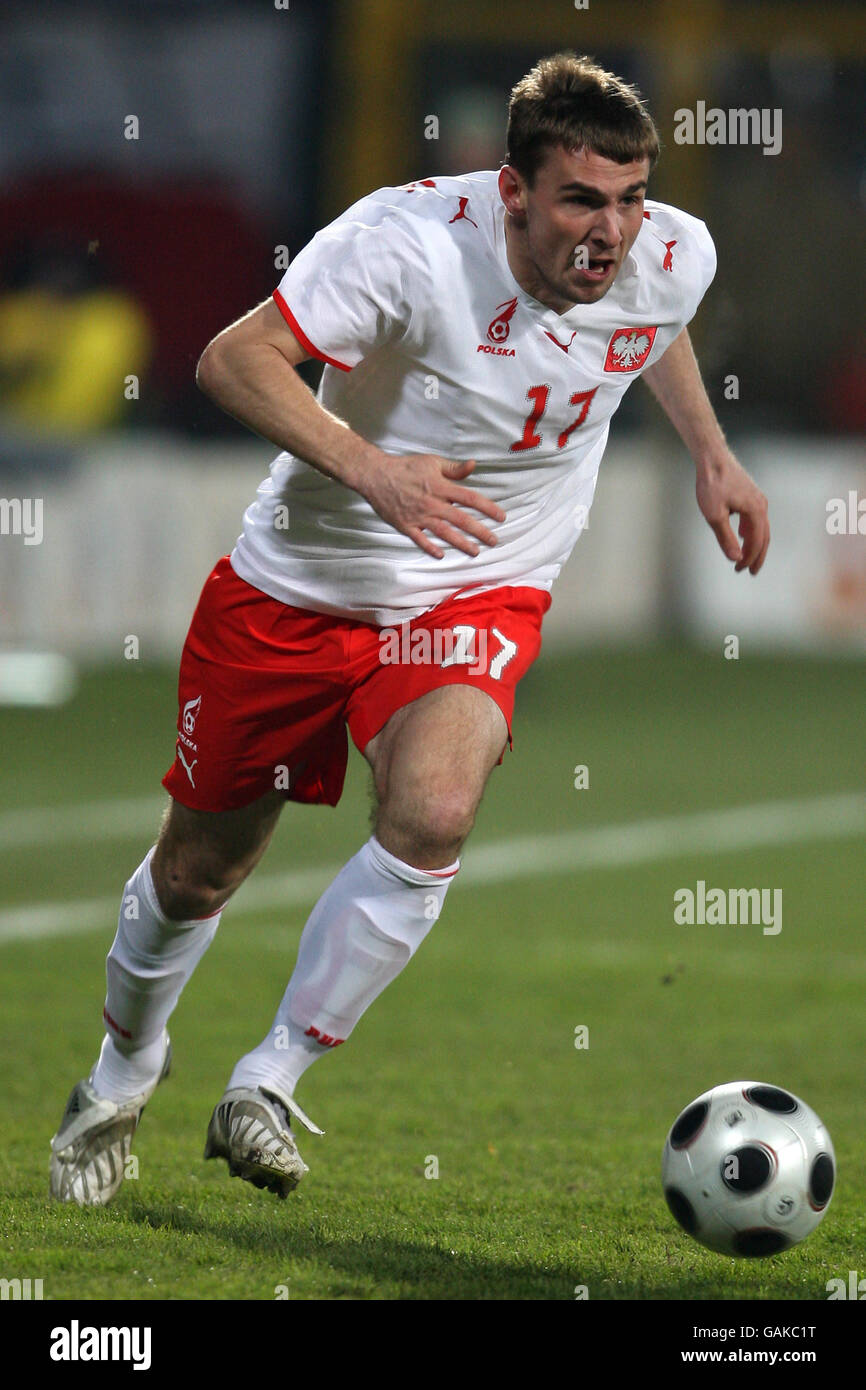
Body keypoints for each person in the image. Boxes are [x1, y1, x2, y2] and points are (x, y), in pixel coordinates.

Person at [50, 52, 769, 1205]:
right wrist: (371, 471)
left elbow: (652, 322)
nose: (613, 233)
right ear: (512, 189)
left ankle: (271, 1077)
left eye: (630, 200)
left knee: (435, 806)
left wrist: (711, 454)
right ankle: (124, 1065)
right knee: (197, 870)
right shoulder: (404, 243)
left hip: (479, 576)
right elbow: (232, 361)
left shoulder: (667, 250)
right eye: (582, 201)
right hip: (308, 576)